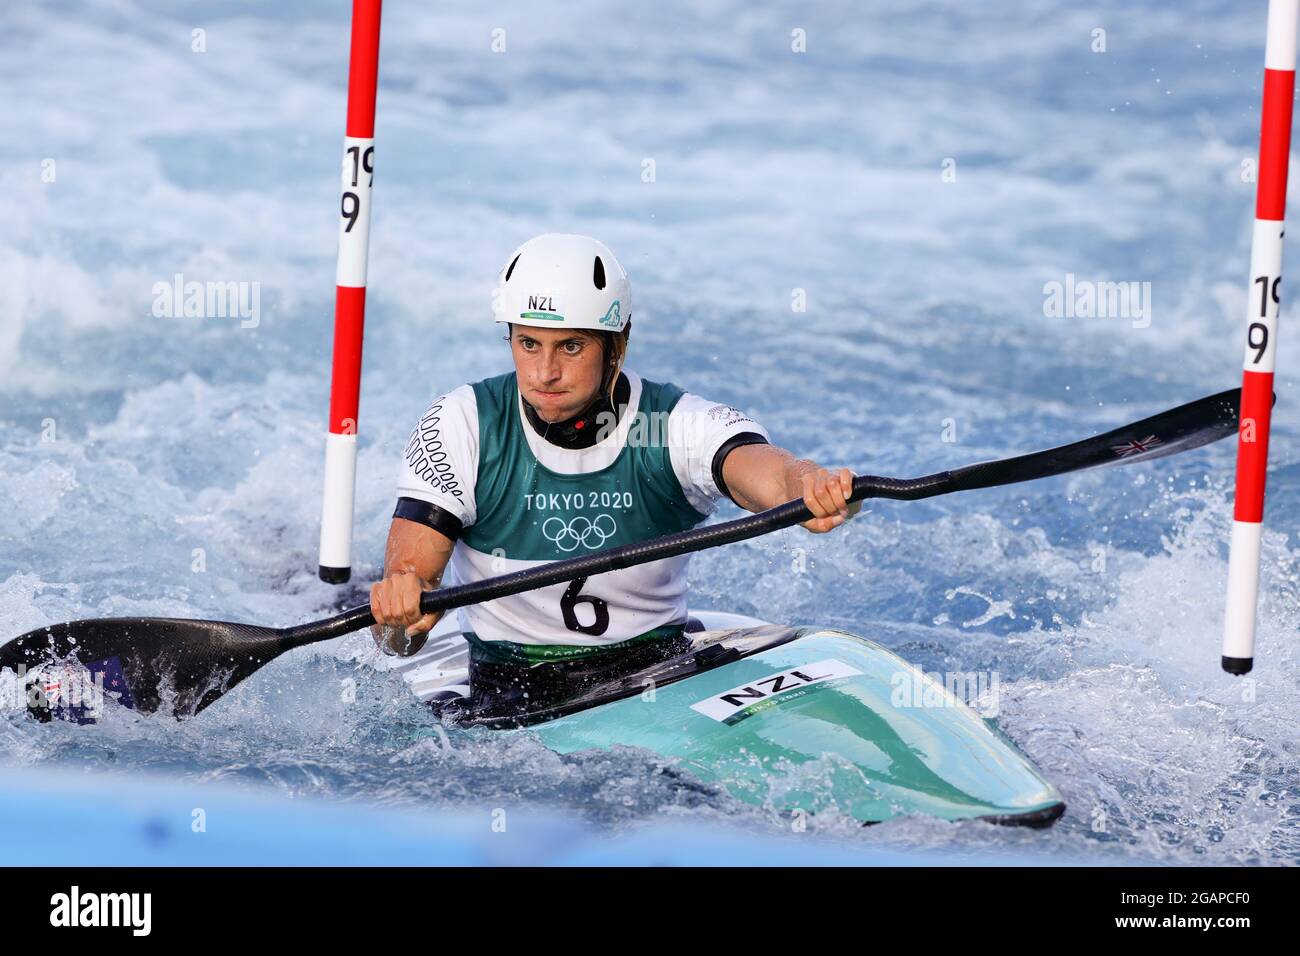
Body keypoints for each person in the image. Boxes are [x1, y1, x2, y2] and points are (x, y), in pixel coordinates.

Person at [370, 233, 860, 718]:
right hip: (510, 684)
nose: (544, 373)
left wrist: (808, 486)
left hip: (660, 669)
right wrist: (400, 611)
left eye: (571, 347)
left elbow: (767, 475)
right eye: (528, 343)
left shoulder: (672, 423)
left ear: (617, 344)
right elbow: (401, 626)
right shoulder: (462, 424)